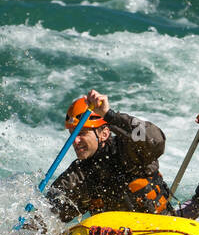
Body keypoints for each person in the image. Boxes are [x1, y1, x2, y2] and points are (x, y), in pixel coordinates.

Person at [43, 90, 172, 222]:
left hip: (160, 228)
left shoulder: (129, 150)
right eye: (72, 134)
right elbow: (45, 217)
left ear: (104, 134)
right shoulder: (78, 176)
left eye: (82, 133)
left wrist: (109, 116)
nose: (75, 141)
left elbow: (156, 140)